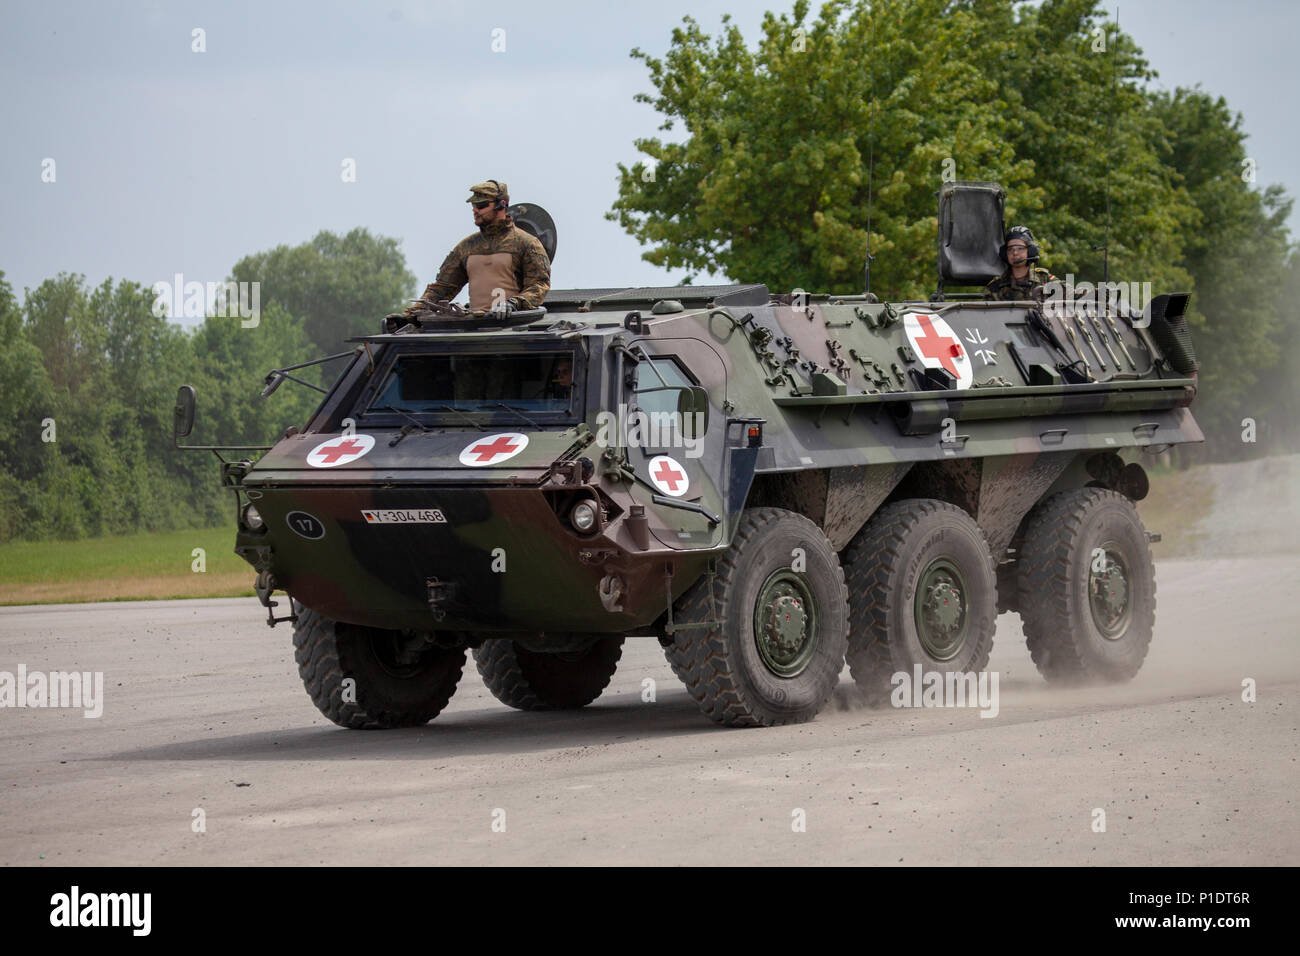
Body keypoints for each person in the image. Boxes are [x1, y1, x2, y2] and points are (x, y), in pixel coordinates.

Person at [403, 180, 551, 320]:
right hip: (475, 326)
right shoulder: (467, 247)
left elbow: (539, 286)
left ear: (502, 204)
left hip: (514, 326)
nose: (475, 210)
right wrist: (408, 316)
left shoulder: (527, 244)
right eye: (473, 206)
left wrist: (514, 304)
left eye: (481, 205)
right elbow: (441, 289)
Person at [985, 226, 1056, 302]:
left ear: (1030, 251)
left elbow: (1069, 293)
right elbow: (985, 313)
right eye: (1010, 249)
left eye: (1020, 248)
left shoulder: (1044, 278)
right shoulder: (996, 286)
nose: (1015, 253)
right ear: (1005, 254)